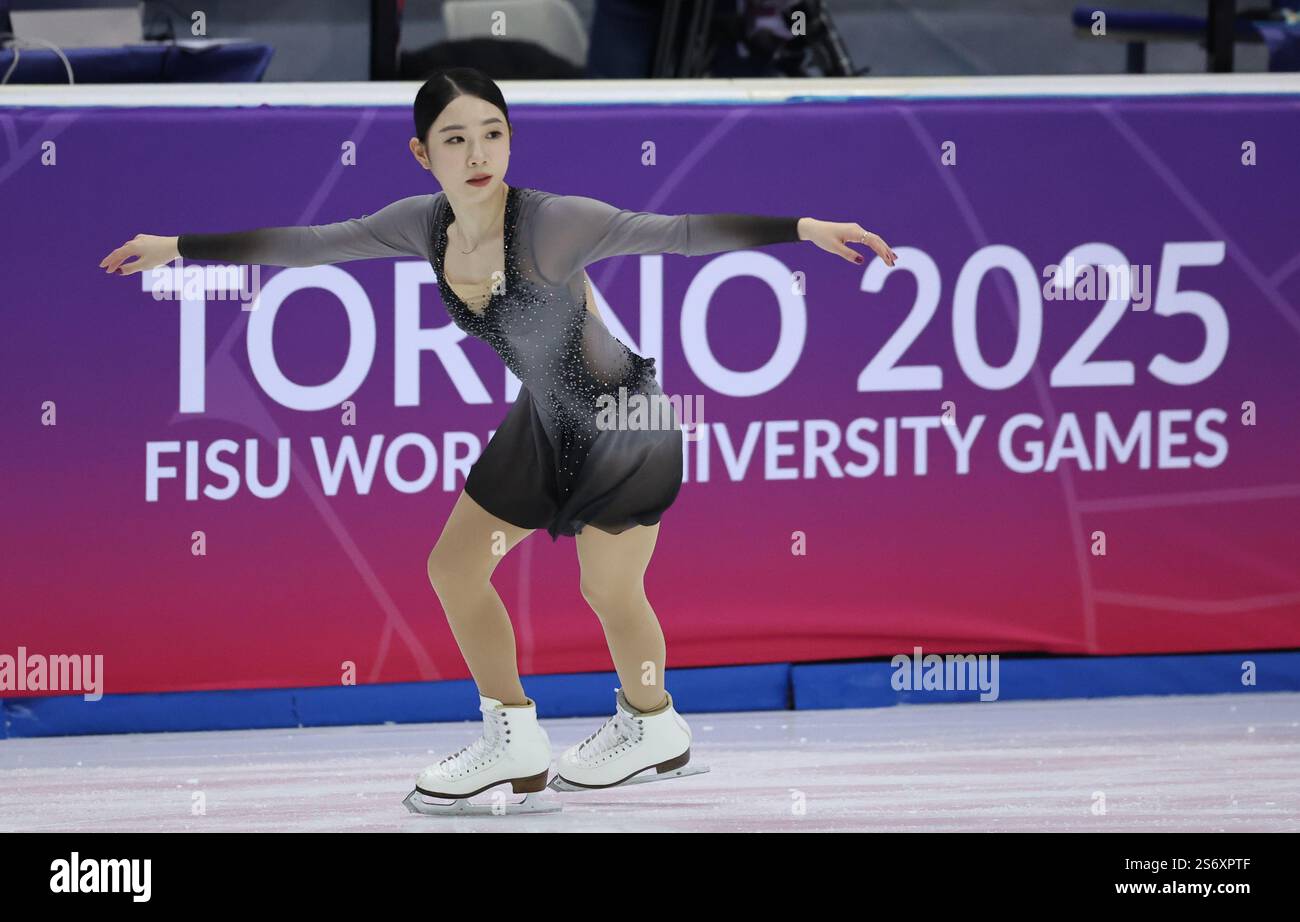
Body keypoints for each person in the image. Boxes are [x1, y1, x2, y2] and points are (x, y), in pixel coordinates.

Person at [99, 66, 897, 811]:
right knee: (453, 569)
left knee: (609, 591)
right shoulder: (421, 224)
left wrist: (802, 228)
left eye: (492, 132)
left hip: (623, 420)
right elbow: (311, 248)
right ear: (422, 153)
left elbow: (680, 232)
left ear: (512, 140)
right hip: (545, 422)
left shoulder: (555, 221)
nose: (477, 153)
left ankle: (653, 722)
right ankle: (513, 737)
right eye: (455, 138)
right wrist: (178, 247)